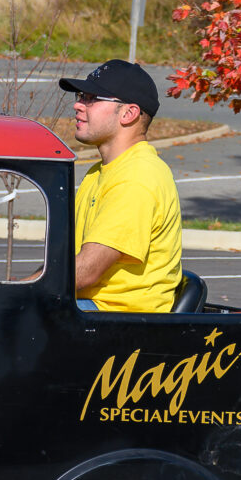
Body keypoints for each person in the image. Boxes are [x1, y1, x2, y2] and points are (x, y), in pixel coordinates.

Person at [59, 59, 182, 313]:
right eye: (81, 95)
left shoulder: (138, 176)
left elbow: (86, 271)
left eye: (92, 98)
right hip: (88, 311)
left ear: (129, 113)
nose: (78, 105)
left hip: (119, 321)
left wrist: (24, 290)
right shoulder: (99, 172)